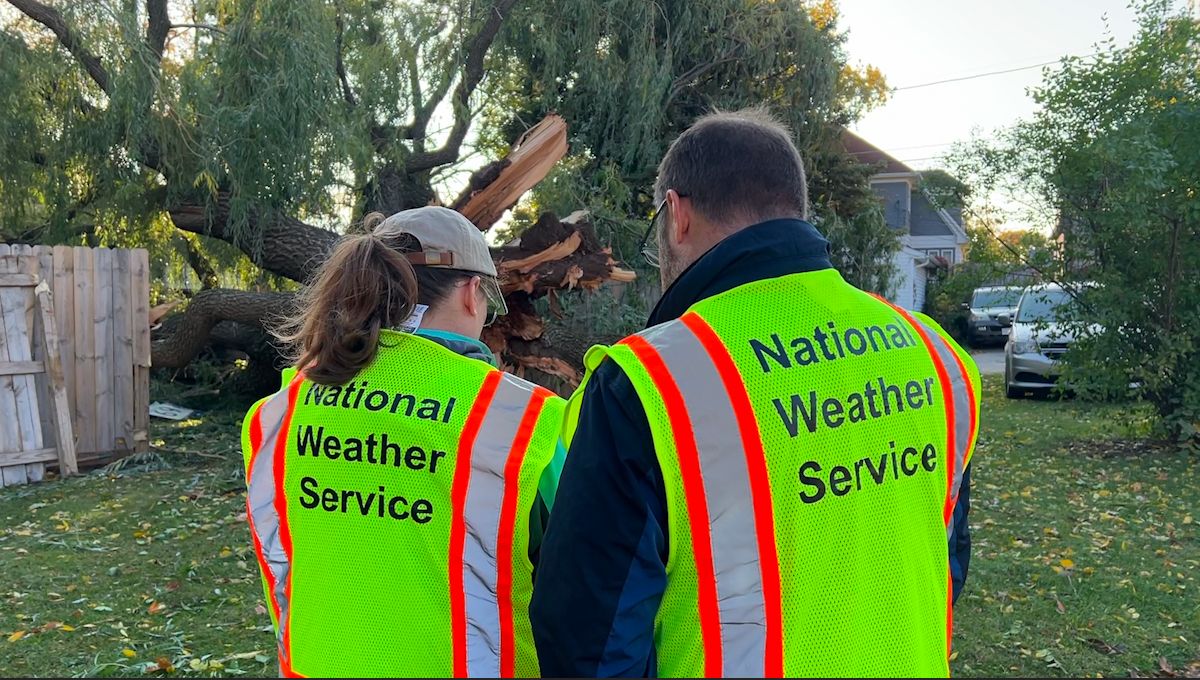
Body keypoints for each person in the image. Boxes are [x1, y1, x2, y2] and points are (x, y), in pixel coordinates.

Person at [531, 109, 980, 678]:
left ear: (677, 214)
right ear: (795, 208)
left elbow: (589, 644)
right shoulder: (936, 355)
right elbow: (945, 559)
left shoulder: (647, 384)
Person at [240, 207, 565, 678]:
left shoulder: (274, 417)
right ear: (472, 294)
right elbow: (583, 584)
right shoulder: (527, 423)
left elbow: (283, 564)